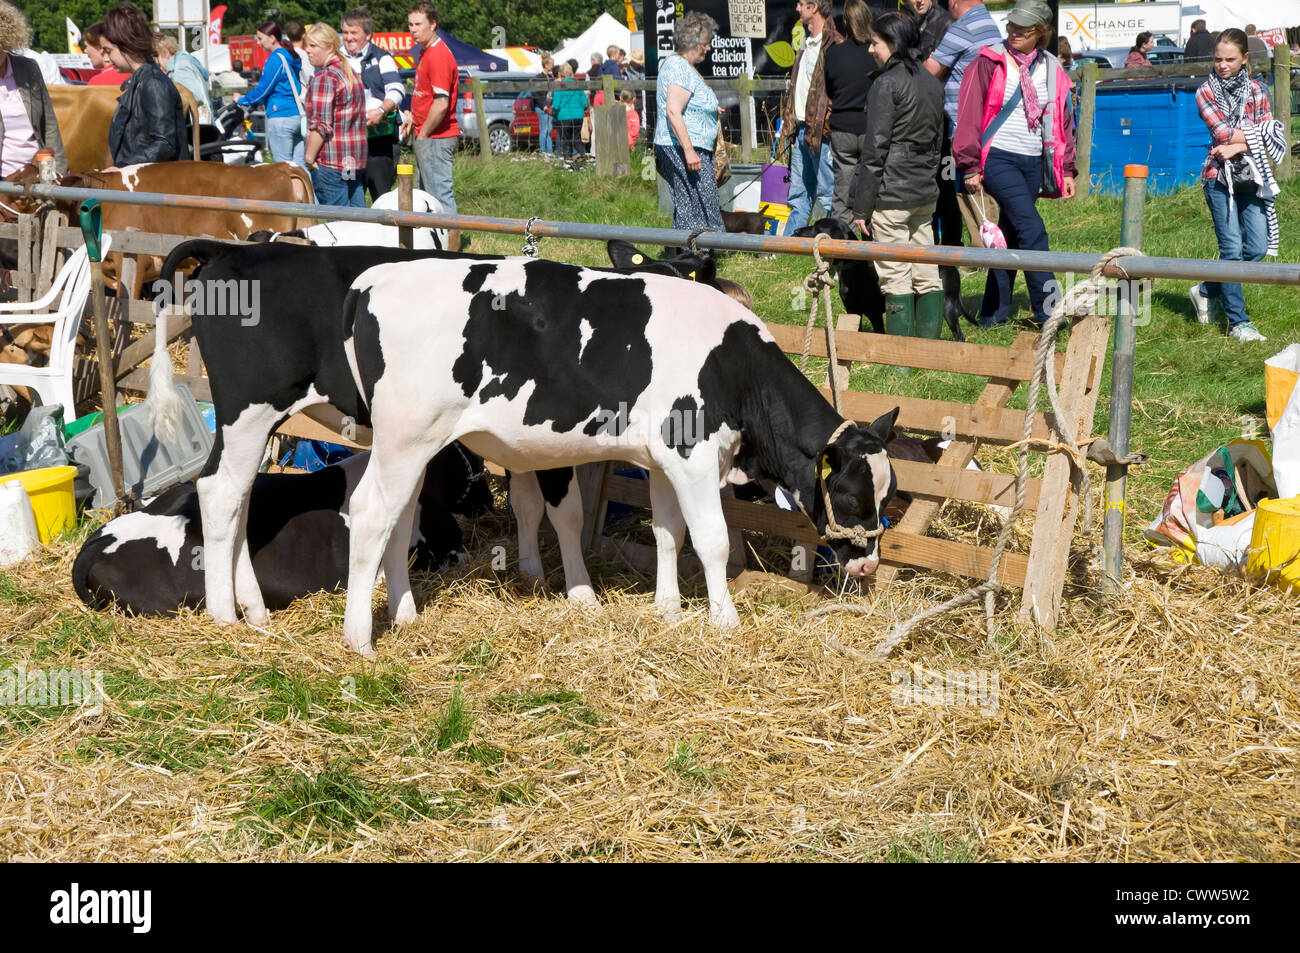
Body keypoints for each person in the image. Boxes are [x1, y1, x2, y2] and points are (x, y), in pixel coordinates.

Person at [954, 0, 1076, 328]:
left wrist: (1066, 168)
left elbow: (1064, 120)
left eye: (1023, 27)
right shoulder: (988, 61)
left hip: (1034, 161)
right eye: (1012, 25)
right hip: (997, 158)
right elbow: (968, 113)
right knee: (1032, 229)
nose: (1014, 31)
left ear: (1041, 32)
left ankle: (992, 316)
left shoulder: (1052, 67)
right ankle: (1049, 312)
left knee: (1010, 233)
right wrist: (969, 164)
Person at [850, 11, 946, 341]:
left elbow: (875, 151)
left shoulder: (886, 83)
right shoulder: (932, 82)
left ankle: (900, 364)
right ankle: (929, 355)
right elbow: (938, 144)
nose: (869, 49)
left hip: (890, 197)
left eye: (874, 42)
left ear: (892, 42)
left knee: (895, 277)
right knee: (927, 274)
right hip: (923, 195)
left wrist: (861, 208)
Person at [1188, 28, 1281, 343]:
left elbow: (1267, 133)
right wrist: (1249, 137)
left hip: (1251, 175)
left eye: (1229, 59)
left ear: (1245, 59)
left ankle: (1206, 289)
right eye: (1217, 59)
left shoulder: (1258, 90)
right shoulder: (1205, 91)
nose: (1222, 65)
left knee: (1255, 247)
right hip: (1219, 178)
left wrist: (1239, 144)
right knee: (1231, 249)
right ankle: (1239, 323)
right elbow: (1226, 134)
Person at [925, 0, 1002, 251]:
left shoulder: (963, 28)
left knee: (967, 190)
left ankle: (982, 250)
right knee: (979, 187)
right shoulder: (989, 25)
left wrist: (929, 58)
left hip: (962, 123)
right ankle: (990, 244)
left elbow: (929, 71)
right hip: (986, 122)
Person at [654, 11, 724, 231]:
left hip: (686, 145)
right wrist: (689, 150)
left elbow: (686, 104)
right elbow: (673, 111)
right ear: (696, 42)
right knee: (698, 205)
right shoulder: (678, 67)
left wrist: (710, 110)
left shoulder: (684, 67)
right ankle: (699, 256)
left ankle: (687, 255)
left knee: (693, 204)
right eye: (707, 43)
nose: (709, 48)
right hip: (683, 146)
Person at [780, 0, 841, 235]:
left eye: (802, 4)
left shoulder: (834, 44)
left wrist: (827, 121)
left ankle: (831, 245)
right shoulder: (805, 43)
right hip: (802, 129)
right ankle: (790, 247)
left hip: (823, 133)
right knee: (798, 194)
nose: (797, 8)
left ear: (814, 7)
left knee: (828, 194)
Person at [102, 3, 187, 167]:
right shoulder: (141, 81)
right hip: (144, 183)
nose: (107, 58)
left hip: (156, 186)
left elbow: (164, 144)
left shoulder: (153, 84)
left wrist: (122, 167)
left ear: (125, 44)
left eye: (109, 50)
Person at [409, 3, 460, 248]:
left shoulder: (438, 54)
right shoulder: (426, 51)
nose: (413, 30)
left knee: (440, 196)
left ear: (433, 24)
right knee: (426, 194)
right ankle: (433, 245)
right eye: (410, 24)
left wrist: (425, 133)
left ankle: (452, 249)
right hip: (428, 134)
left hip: (437, 136)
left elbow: (441, 103)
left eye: (419, 24)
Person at [341, 9, 406, 203]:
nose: (349, 38)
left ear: (368, 35)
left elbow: (396, 90)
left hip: (378, 141)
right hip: (348, 143)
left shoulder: (382, 58)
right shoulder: (337, 59)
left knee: (381, 197)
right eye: (345, 32)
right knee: (350, 195)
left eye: (354, 33)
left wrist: (381, 111)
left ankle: (385, 232)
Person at [302, 23, 367, 208]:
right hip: (351, 160)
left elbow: (321, 125)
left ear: (329, 47)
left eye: (313, 46)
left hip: (330, 161)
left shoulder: (325, 78)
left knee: (338, 223)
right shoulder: (350, 73)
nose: (308, 50)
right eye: (307, 45)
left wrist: (309, 158)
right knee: (357, 215)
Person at [823, 0, 875, 228]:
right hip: (870, 127)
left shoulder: (834, 54)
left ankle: (842, 246)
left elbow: (830, 88)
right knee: (871, 186)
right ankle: (873, 243)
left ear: (845, 22)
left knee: (841, 190)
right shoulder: (876, 52)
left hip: (842, 128)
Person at [0, 2, 67, 175]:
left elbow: (49, 126)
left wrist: (59, 173)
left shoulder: (29, 68)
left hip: (39, 173)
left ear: (7, 44)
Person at [235, 22, 307, 167]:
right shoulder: (289, 55)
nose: (258, 42)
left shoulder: (276, 59)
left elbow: (263, 90)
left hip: (281, 117)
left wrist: (241, 100)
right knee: (299, 168)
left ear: (272, 38)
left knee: (283, 169)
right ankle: (309, 190)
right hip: (297, 116)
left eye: (260, 38)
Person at [155, 35, 212, 123]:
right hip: (202, 125)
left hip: (196, 128)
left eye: (158, 63)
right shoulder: (184, 61)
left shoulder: (180, 67)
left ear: (165, 52)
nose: (159, 69)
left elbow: (192, 98)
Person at [552, 62, 587, 157]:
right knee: (576, 139)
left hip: (564, 117)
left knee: (566, 141)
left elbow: (556, 106)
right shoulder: (578, 85)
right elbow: (585, 103)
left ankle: (568, 163)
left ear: (560, 74)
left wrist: (555, 114)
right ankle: (583, 157)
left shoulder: (559, 87)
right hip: (578, 116)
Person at [85, 21, 131, 86]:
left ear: (102, 49)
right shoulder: (136, 75)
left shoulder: (97, 82)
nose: (85, 51)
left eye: (86, 46)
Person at [532, 54, 556, 154]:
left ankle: (549, 152)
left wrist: (551, 105)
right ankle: (543, 151)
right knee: (544, 129)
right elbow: (535, 94)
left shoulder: (551, 78)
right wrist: (543, 106)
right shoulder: (538, 77)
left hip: (549, 106)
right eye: (551, 64)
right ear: (546, 65)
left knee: (549, 130)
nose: (552, 66)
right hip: (541, 107)